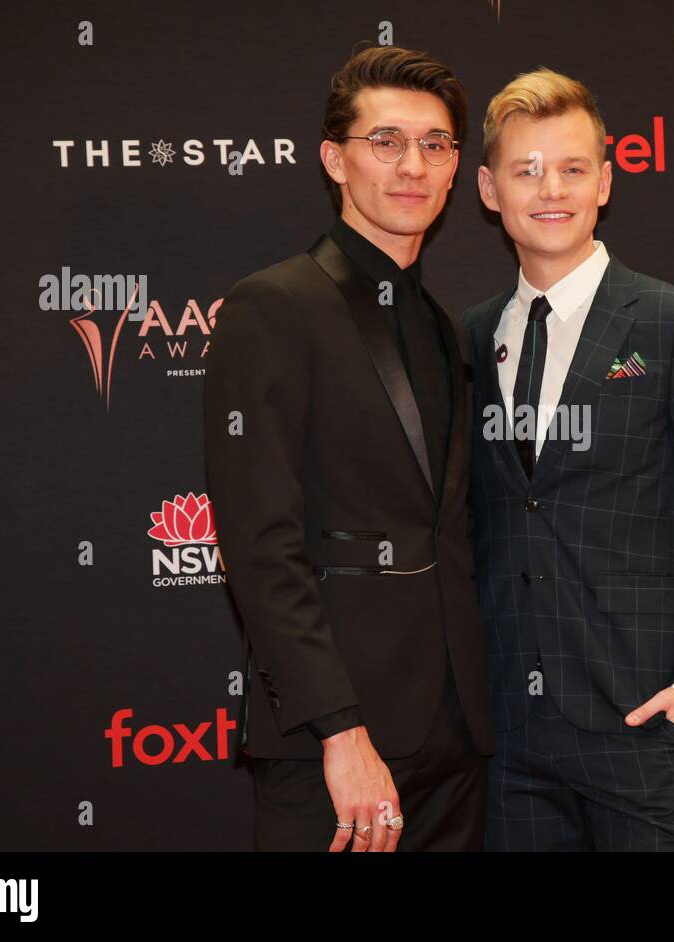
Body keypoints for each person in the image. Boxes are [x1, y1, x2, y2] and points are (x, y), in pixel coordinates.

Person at [463, 68, 674, 850]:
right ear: (489, 190)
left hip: (642, 723)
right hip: (510, 739)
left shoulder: (672, 322)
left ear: (605, 180)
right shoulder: (468, 337)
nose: (550, 189)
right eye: (525, 170)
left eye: (572, 168)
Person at [203, 45, 492, 852]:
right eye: (386, 142)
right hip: (338, 742)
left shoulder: (444, 327)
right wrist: (339, 731)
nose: (413, 167)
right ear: (335, 159)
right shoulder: (275, 306)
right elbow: (261, 543)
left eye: (435, 145)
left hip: (456, 734)